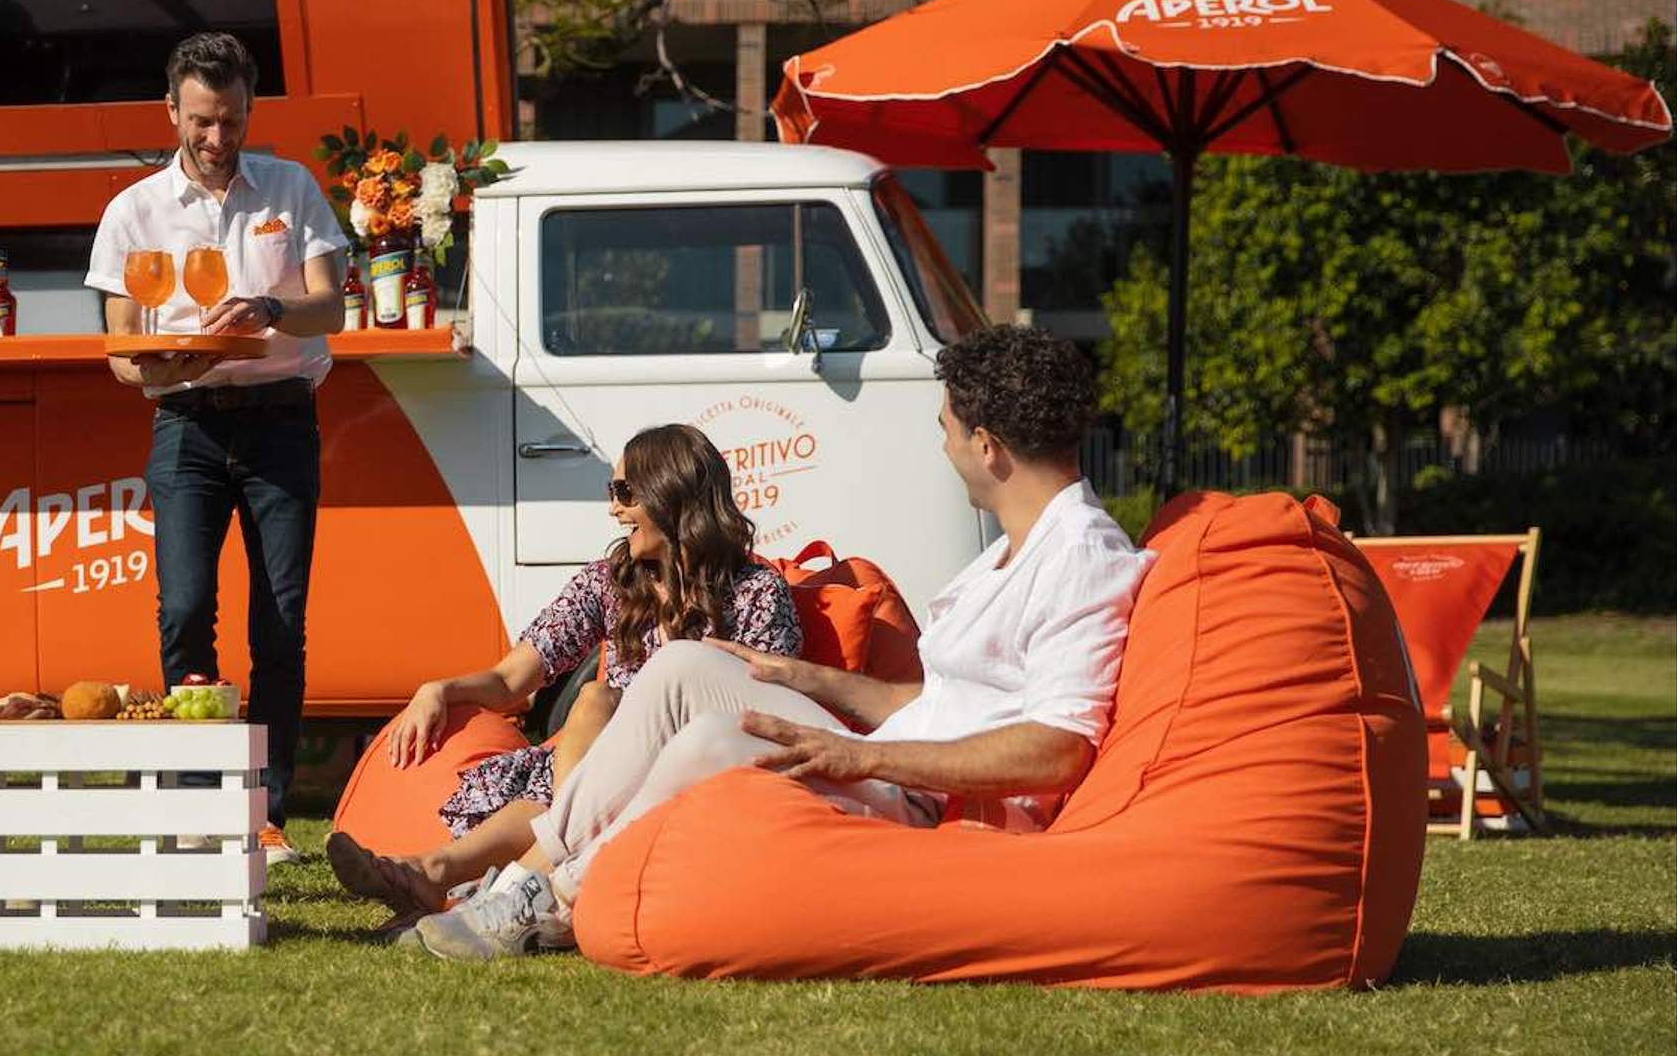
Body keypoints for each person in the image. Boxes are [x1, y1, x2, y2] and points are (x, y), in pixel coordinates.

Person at [411, 324, 1155, 962]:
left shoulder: (1080, 557)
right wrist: (800, 677)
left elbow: (1059, 750)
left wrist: (862, 755)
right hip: (903, 765)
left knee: (713, 741)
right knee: (680, 665)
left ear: (987, 447)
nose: (945, 448)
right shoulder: (1012, 553)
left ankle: (552, 901)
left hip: (939, 802)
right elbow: (930, 702)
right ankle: (522, 883)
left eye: (947, 430)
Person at [325, 425, 798, 922]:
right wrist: (438, 688)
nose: (613, 508)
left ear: (669, 493)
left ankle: (495, 883)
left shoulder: (755, 591)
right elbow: (512, 679)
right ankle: (433, 871)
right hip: (595, 776)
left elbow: (757, 712)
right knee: (570, 759)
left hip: (689, 767)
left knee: (595, 707)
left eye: (624, 492)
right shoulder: (608, 580)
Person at [86, 31, 347, 862]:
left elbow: (331, 309)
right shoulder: (134, 210)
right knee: (186, 610)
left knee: (281, 623)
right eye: (200, 120)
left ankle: (265, 814)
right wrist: (169, 359)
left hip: (280, 416)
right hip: (186, 422)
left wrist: (269, 314)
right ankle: (198, 803)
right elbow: (121, 353)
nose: (216, 138)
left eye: (230, 120)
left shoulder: (293, 186)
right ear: (170, 110)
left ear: (249, 109)